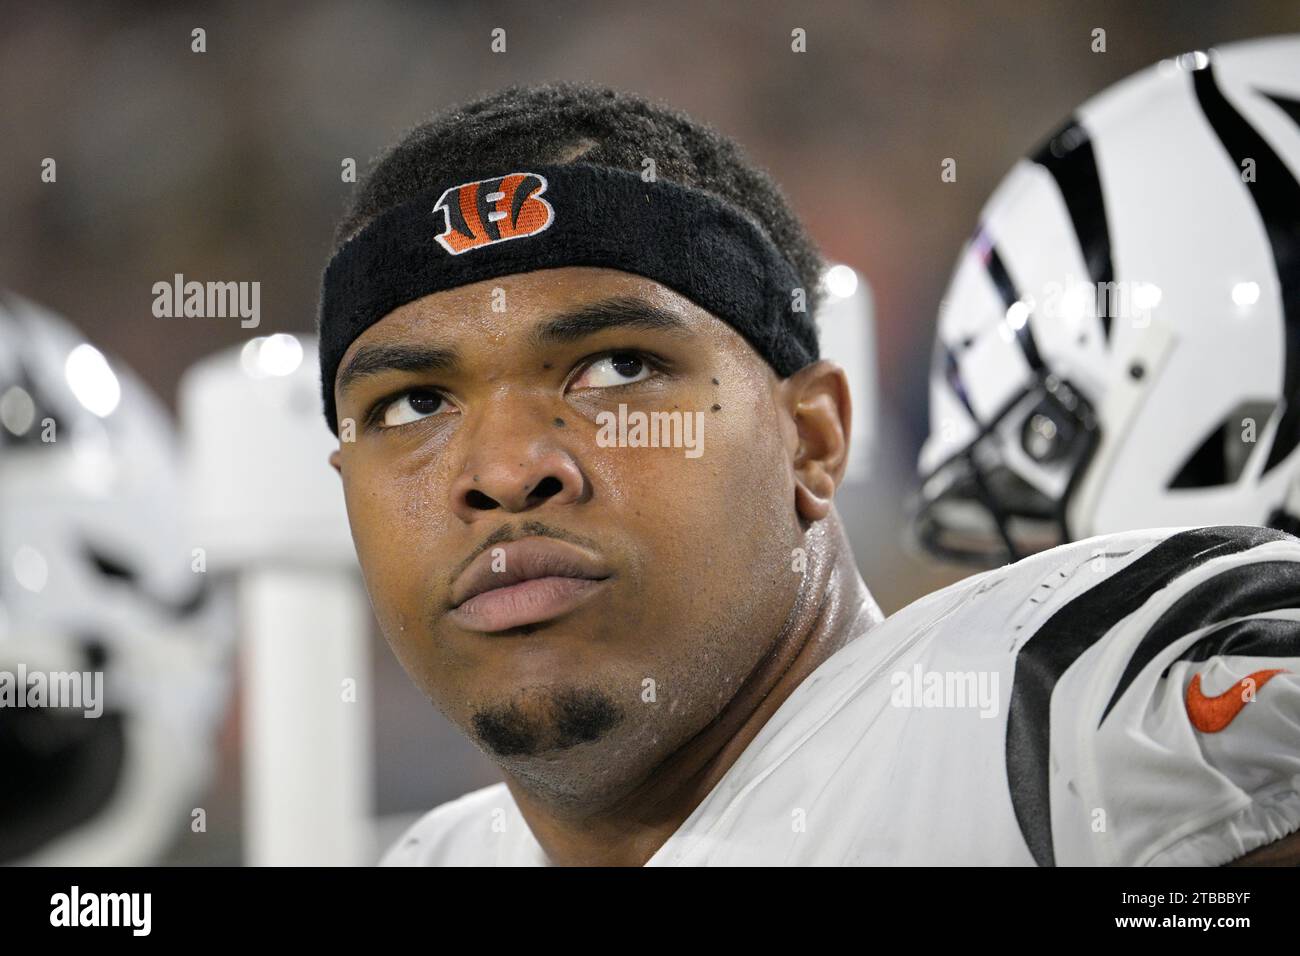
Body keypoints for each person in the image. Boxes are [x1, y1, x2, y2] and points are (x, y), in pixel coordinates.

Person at [317, 81, 1300, 865]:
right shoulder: (434, 852)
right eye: (412, 403)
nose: (502, 470)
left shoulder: (1081, 714)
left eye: (617, 366)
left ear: (813, 436)